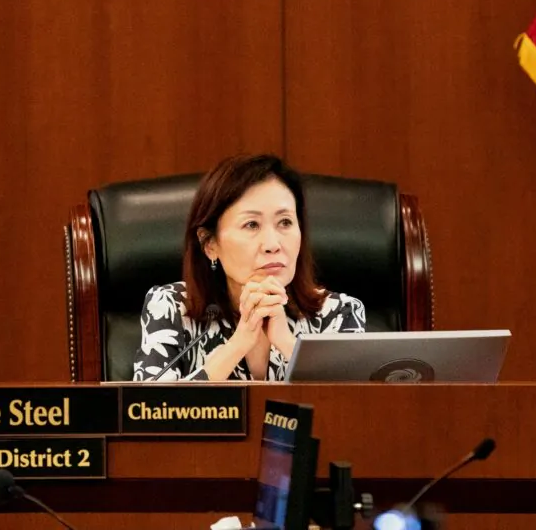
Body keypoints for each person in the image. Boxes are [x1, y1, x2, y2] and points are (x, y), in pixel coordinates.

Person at [132, 154, 365, 382]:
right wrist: (238, 344)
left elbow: (351, 411)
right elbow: (148, 410)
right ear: (210, 244)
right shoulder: (171, 308)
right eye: (251, 225)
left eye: (285, 222)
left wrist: (287, 343)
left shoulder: (339, 314)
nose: (273, 245)